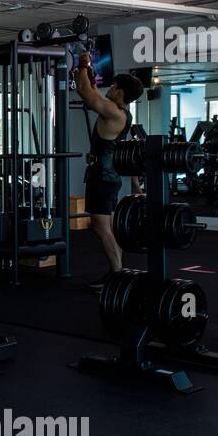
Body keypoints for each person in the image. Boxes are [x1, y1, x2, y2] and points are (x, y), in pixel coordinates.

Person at [76, 56, 144, 291]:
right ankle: (118, 272)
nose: (111, 88)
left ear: (121, 93)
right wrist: (92, 75)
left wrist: (82, 65)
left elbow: (84, 92)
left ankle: (117, 275)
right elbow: (93, 90)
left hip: (103, 177)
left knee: (100, 226)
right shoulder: (122, 114)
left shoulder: (115, 113)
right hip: (109, 176)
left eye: (115, 87)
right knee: (111, 226)